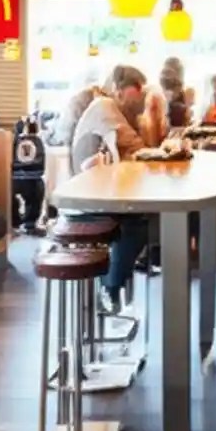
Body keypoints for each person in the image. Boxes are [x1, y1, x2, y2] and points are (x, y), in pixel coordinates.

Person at [70, 65, 150, 311]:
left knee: (139, 218)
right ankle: (111, 288)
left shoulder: (113, 108)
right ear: (118, 89)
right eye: (136, 88)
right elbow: (136, 144)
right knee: (139, 222)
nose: (141, 94)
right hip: (88, 201)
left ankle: (114, 284)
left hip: (99, 193)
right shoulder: (104, 107)